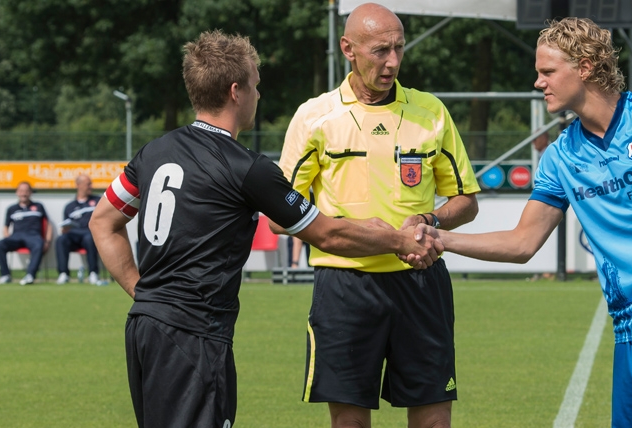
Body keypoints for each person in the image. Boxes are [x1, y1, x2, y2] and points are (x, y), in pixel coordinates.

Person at [419, 17, 632, 427]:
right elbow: (522, 242)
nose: (538, 83)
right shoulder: (560, 158)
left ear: (584, 67)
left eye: (547, 72)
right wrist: (440, 239)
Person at [88, 30, 441, 428]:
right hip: (194, 336)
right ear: (236, 91)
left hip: (145, 327)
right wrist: (397, 239)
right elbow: (326, 234)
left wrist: (144, 293)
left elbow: (102, 221)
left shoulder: (154, 152)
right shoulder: (247, 168)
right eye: (256, 86)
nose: (260, 95)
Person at [277, 4, 480, 427]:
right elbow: (282, 213)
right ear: (348, 48)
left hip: (422, 284)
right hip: (345, 285)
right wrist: (351, 233)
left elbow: (466, 200)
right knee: (349, 421)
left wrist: (432, 220)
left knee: (434, 420)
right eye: (380, 51)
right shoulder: (315, 116)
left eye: (399, 49)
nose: (392, 62)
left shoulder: (431, 112)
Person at [0, 181, 53, 285]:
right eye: (21, 191)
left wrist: (47, 241)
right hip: (16, 236)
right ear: (17, 192)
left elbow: (48, 225)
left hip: (33, 236)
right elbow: (6, 226)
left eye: (26, 191)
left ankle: (30, 275)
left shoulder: (39, 206)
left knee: (38, 245)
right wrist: (7, 237)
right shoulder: (12, 209)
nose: (24, 193)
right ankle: (5, 275)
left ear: (31, 192)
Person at [55, 174, 101, 284]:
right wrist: (65, 229)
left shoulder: (98, 200)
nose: (91, 186)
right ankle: (63, 274)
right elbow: (66, 223)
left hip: (90, 234)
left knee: (89, 238)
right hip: (74, 235)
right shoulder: (69, 206)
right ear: (79, 185)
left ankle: (93, 273)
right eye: (88, 184)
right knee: (61, 240)